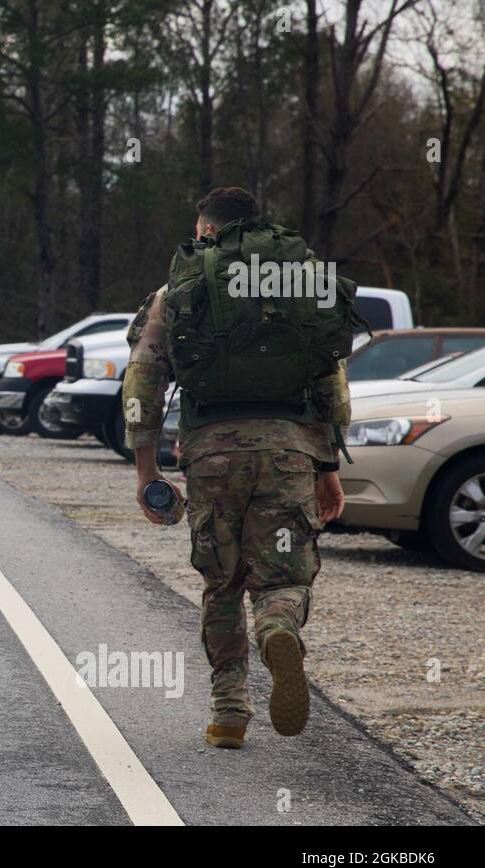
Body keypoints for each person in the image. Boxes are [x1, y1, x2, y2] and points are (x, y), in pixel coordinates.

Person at [123, 186, 353, 750]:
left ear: (205, 230)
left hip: (212, 451)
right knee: (283, 572)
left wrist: (146, 470)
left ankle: (229, 709)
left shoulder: (176, 289)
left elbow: (143, 382)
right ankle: (277, 629)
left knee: (221, 581)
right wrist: (328, 467)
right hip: (289, 450)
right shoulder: (299, 287)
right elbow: (332, 385)